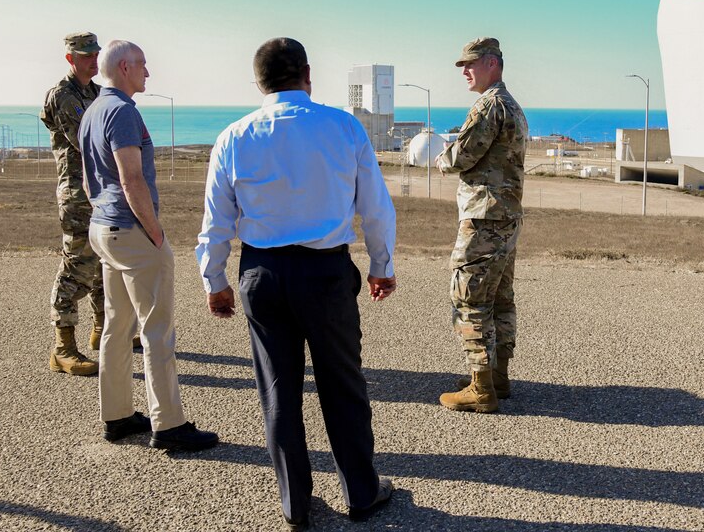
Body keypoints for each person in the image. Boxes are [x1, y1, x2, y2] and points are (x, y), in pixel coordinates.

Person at [197, 37, 396, 530]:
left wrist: (214, 279)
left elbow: (216, 221)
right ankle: (361, 492)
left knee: (279, 391)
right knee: (343, 384)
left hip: (262, 274)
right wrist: (380, 265)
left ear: (259, 82)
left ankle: (295, 503)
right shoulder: (343, 126)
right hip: (326, 271)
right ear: (308, 73)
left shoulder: (234, 136)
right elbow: (374, 204)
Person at [79, 40, 218, 452]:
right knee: (157, 329)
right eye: (142, 65)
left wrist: (104, 212)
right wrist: (155, 233)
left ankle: (117, 415)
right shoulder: (121, 111)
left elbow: (90, 180)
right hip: (132, 233)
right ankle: (169, 424)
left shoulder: (91, 111)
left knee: (117, 326)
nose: (148, 73)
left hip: (103, 228)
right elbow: (131, 178)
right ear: (124, 67)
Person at [435, 37, 528, 414]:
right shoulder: (513, 105)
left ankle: (481, 388)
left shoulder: (489, 105)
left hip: (484, 217)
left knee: (470, 297)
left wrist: (442, 158)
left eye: (470, 64)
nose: (465, 72)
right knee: (499, 299)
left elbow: (460, 155)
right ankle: (497, 376)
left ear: (493, 63)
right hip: (505, 215)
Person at [41, 32, 104, 375]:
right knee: (77, 266)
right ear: (70, 59)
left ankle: (102, 331)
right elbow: (87, 141)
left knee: (104, 266)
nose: (93, 59)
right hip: (77, 193)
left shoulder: (96, 93)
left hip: (99, 190)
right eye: (85, 55)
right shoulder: (63, 95)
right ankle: (63, 348)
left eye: (95, 53)